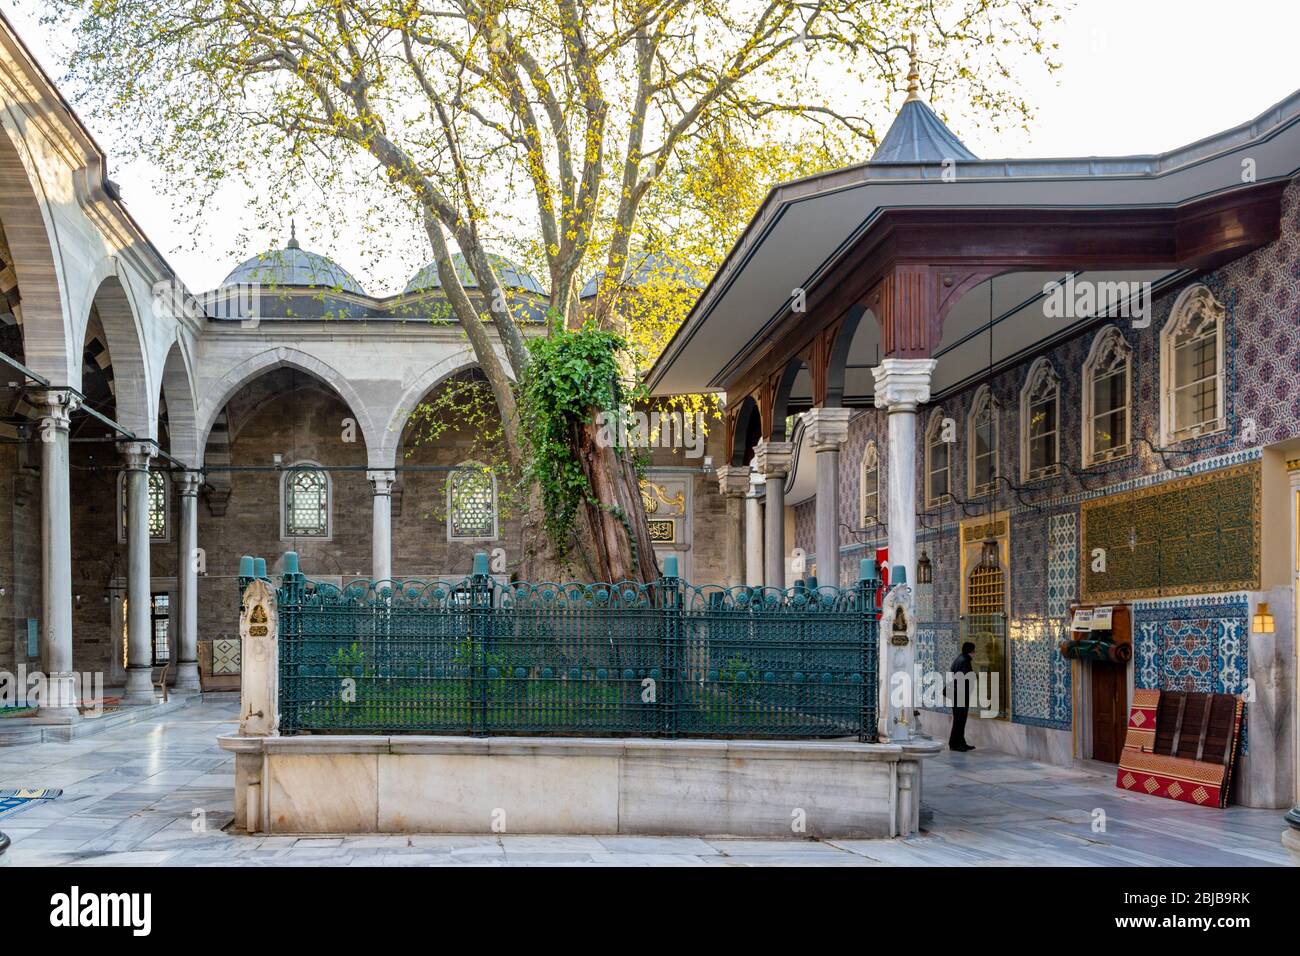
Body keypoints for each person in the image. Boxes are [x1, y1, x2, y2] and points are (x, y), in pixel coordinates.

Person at [948, 641, 977, 752]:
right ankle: (955, 744)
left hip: (956, 693)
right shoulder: (965, 661)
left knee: (959, 720)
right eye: (974, 651)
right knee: (960, 720)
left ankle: (960, 742)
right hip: (960, 694)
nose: (975, 653)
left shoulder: (959, 659)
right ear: (971, 651)